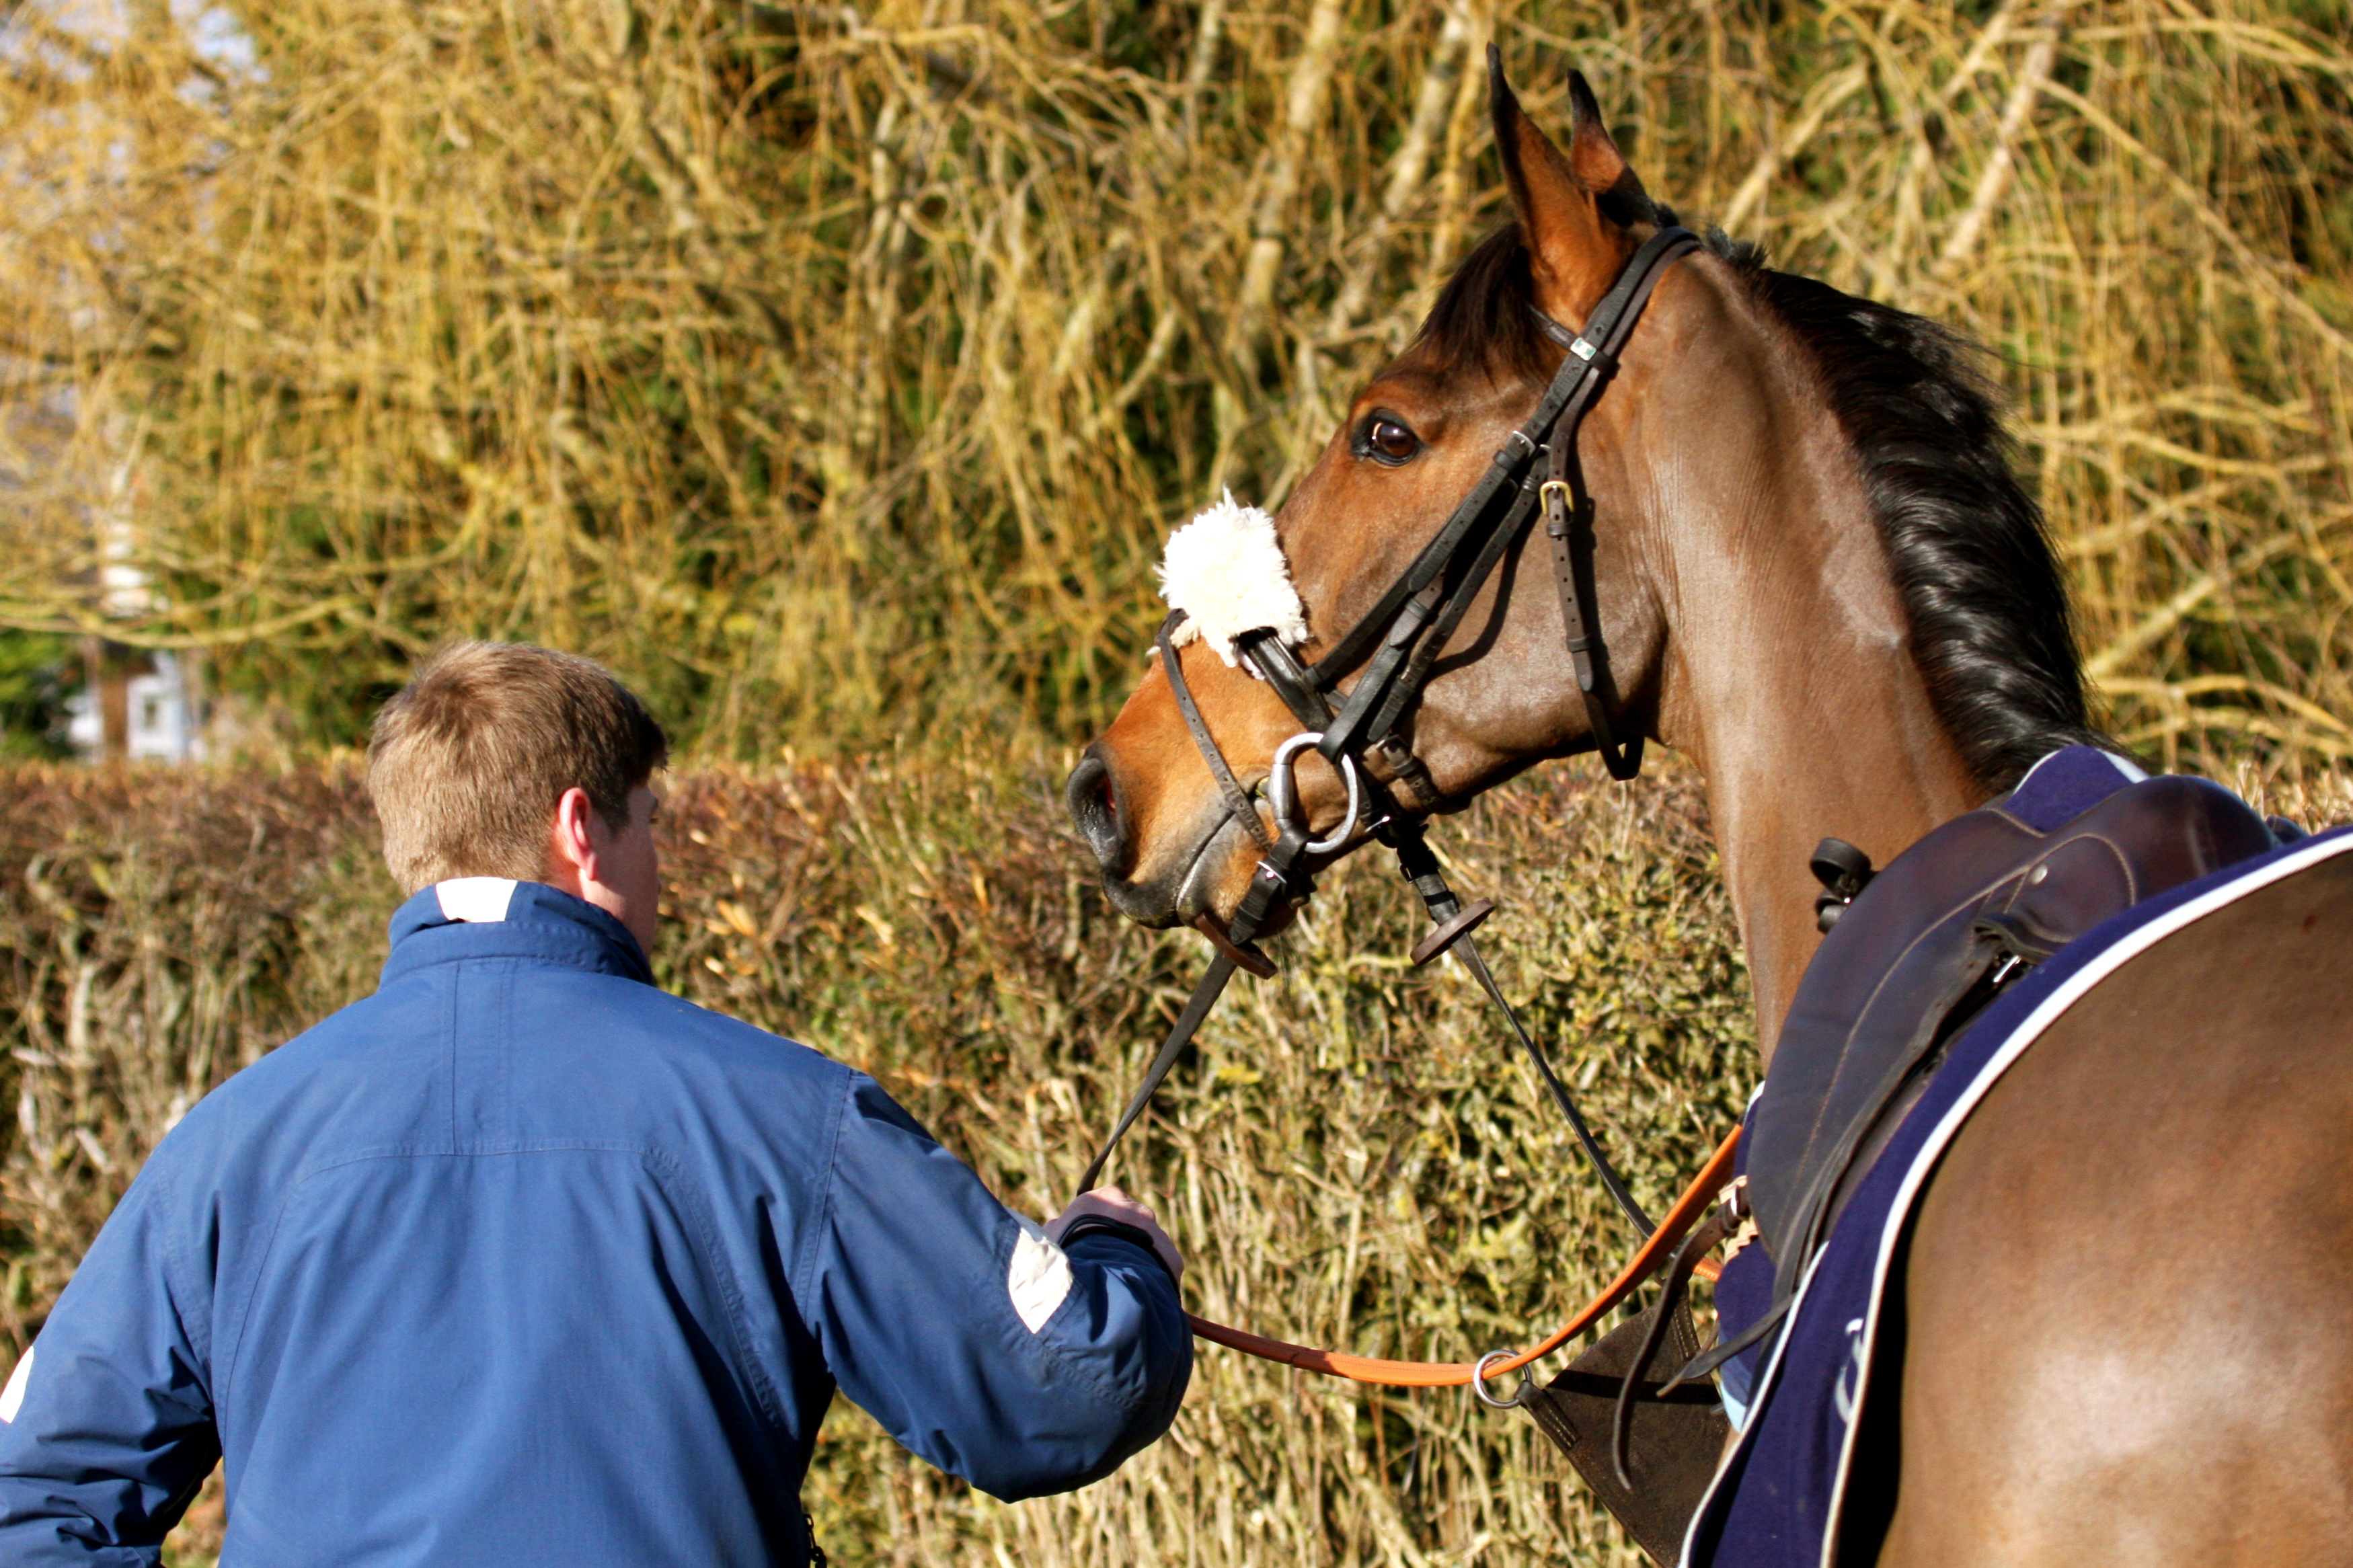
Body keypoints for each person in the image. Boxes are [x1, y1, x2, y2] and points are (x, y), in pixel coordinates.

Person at [0, 641, 1190, 1566]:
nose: (660, 870)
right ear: (582, 828)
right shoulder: (784, 1116)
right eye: (650, 827)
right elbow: (1064, 1392)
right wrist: (1116, 1256)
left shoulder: (228, 1147)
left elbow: (34, 1498)